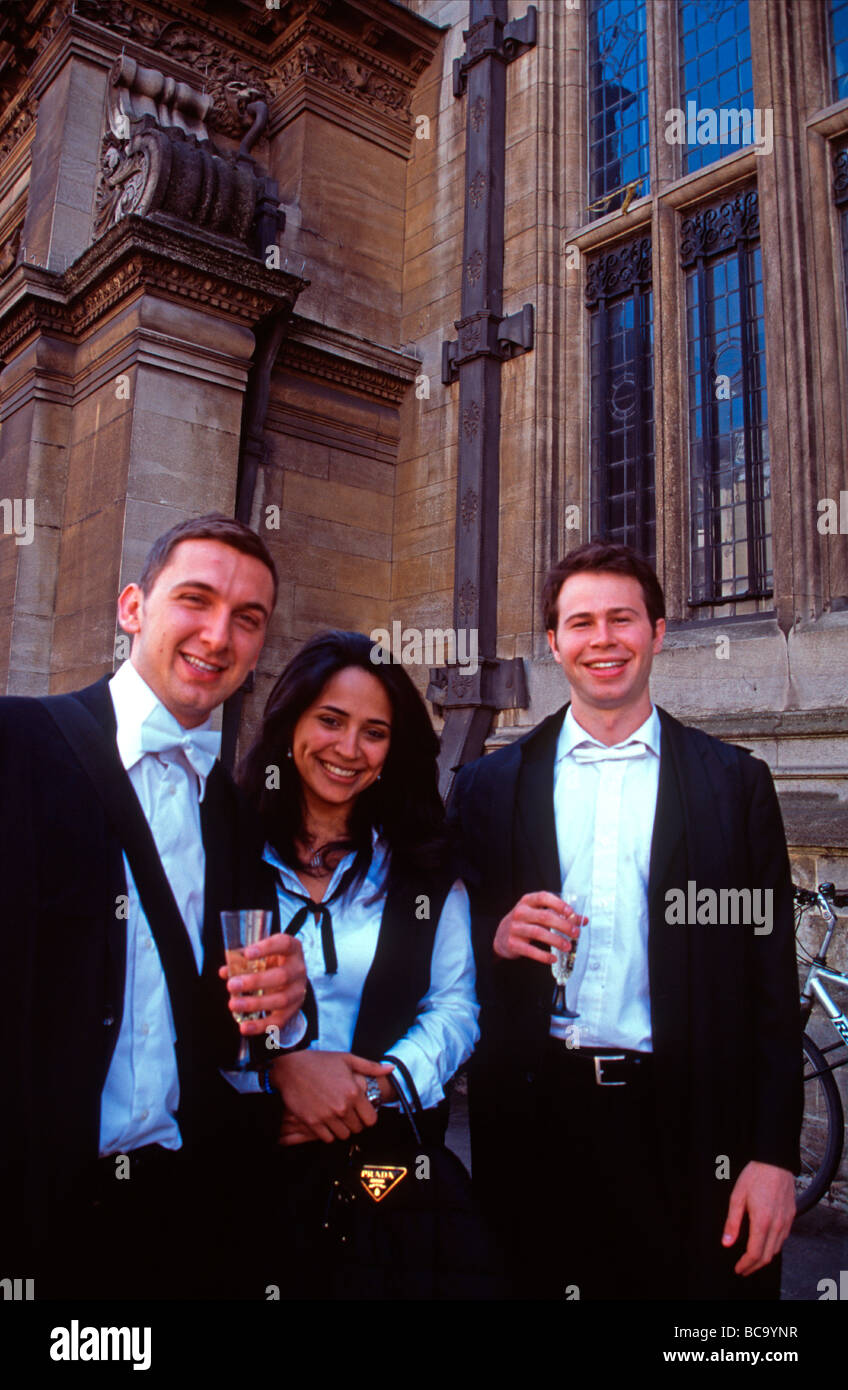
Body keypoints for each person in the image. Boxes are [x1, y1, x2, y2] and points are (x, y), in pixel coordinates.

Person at [447, 542, 802, 1301]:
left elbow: (771, 989)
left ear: (658, 633)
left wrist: (774, 1157)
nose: (601, 639)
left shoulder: (735, 786)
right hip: (538, 1129)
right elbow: (435, 946)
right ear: (552, 643)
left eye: (621, 619)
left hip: (696, 1130)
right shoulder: (485, 787)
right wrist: (492, 936)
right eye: (580, 623)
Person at [0, 514, 309, 1300]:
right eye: (195, 600)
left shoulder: (232, 812)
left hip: (177, 1207)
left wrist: (284, 1012)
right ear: (132, 606)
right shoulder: (18, 744)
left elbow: (228, 1019)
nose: (218, 634)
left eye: (248, 619)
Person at [238, 629, 480, 1297]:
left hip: (383, 1178)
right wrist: (273, 1084)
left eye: (374, 732)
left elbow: (454, 1005)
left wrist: (370, 1090)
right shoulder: (226, 857)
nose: (349, 749)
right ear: (291, 725)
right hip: (245, 1166)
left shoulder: (424, 871)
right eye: (331, 721)